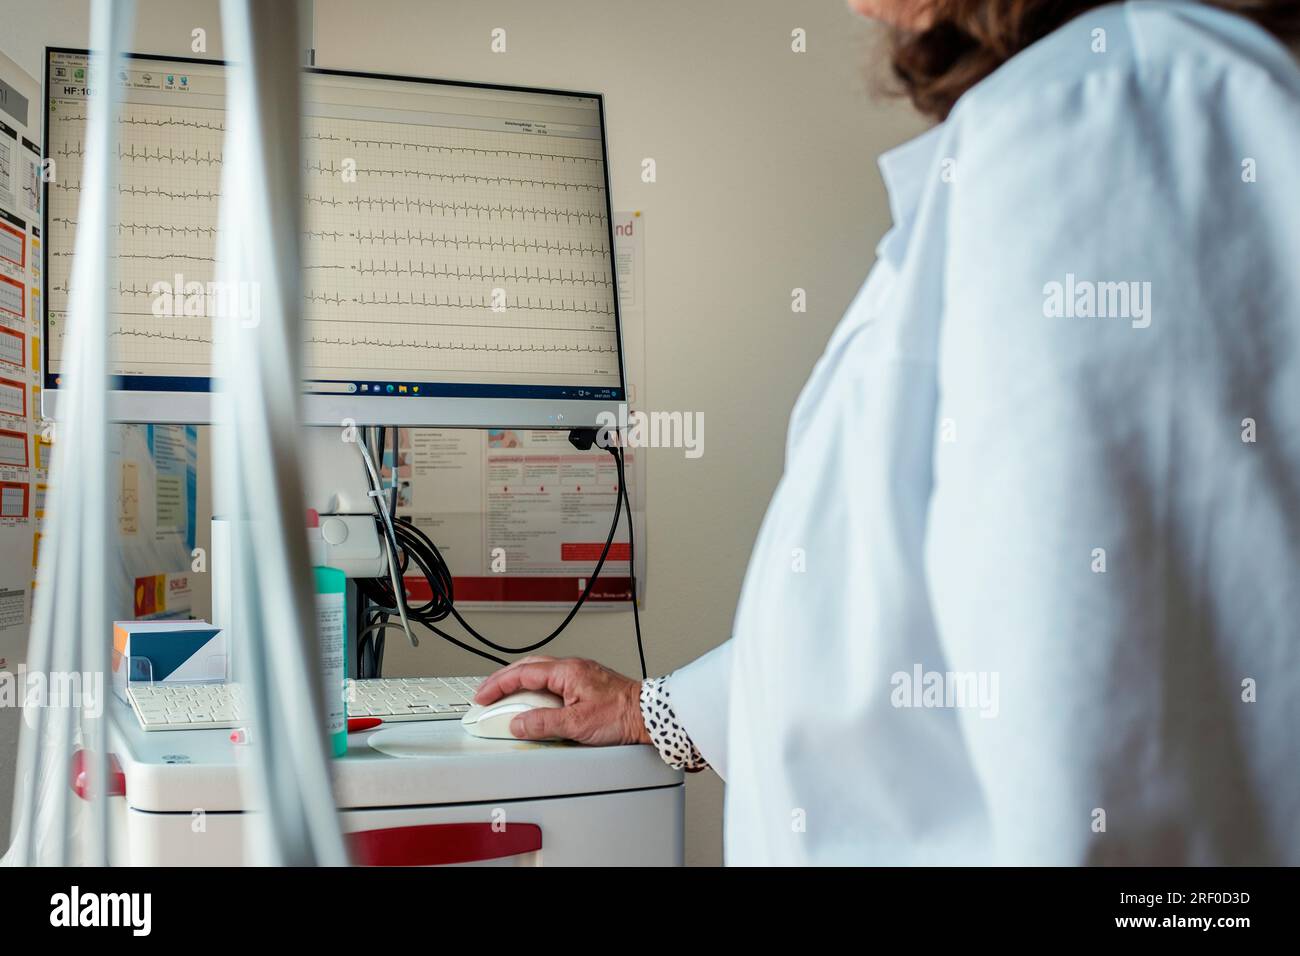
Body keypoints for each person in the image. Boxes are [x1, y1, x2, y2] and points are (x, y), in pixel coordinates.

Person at [475, 0, 1300, 865]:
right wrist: (659, 711)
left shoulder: (1118, 119)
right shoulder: (1057, 129)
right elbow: (896, 625)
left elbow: (1147, 778)